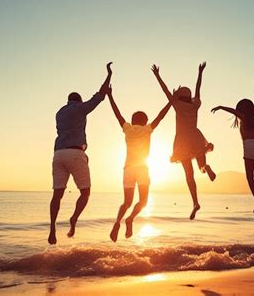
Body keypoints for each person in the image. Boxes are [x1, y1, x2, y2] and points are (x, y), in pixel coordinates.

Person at [48, 62, 112, 245]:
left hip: (58, 154)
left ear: (68, 100)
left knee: (57, 194)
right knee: (85, 193)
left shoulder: (59, 112)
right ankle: (74, 218)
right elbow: (101, 94)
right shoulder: (81, 108)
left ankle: (52, 228)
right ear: (79, 100)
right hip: (75, 154)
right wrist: (109, 74)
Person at [151, 62, 216, 220]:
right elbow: (198, 88)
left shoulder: (177, 105)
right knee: (201, 165)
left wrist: (157, 75)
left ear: (179, 96)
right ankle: (206, 167)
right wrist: (200, 72)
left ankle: (195, 202)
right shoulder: (195, 105)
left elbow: (165, 91)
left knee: (189, 175)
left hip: (182, 141)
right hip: (196, 137)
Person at [107, 84, 171, 242]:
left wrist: (110, 95)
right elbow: (161, 116)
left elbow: (117, 114)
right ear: (144, 121)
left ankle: (117, 222)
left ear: (133, 120)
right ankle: (130, 219)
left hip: (128, 169)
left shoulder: (127, 129)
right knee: (143, 201)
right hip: (142, 168)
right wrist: (171, 101)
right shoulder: (146, 130)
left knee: (126, 202)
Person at [211, 78, 254, 214]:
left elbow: (233, 111)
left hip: (249, 147)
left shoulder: (243, 117)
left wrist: (220, 107)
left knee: (250, 178)